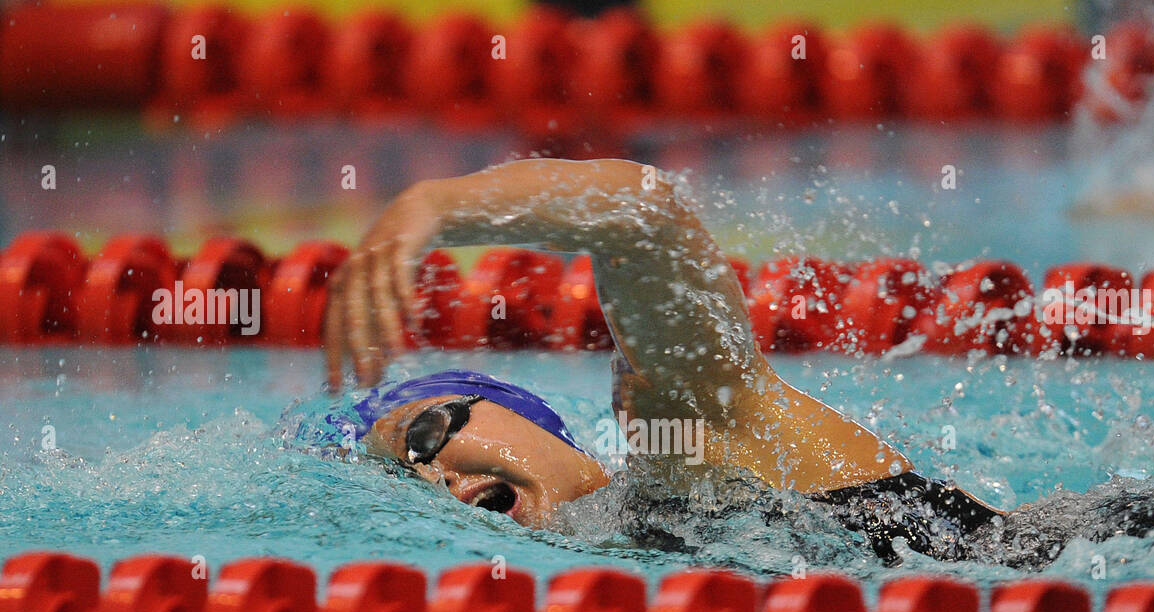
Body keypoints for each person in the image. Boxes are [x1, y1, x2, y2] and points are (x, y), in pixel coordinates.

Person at [322, 157, 1007, 563]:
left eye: (421, 435)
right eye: (407, 487)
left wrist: (431, 205)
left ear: (517, 410)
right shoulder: (624, 548)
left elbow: (645, 214)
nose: (433, 476)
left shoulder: (686, 441)